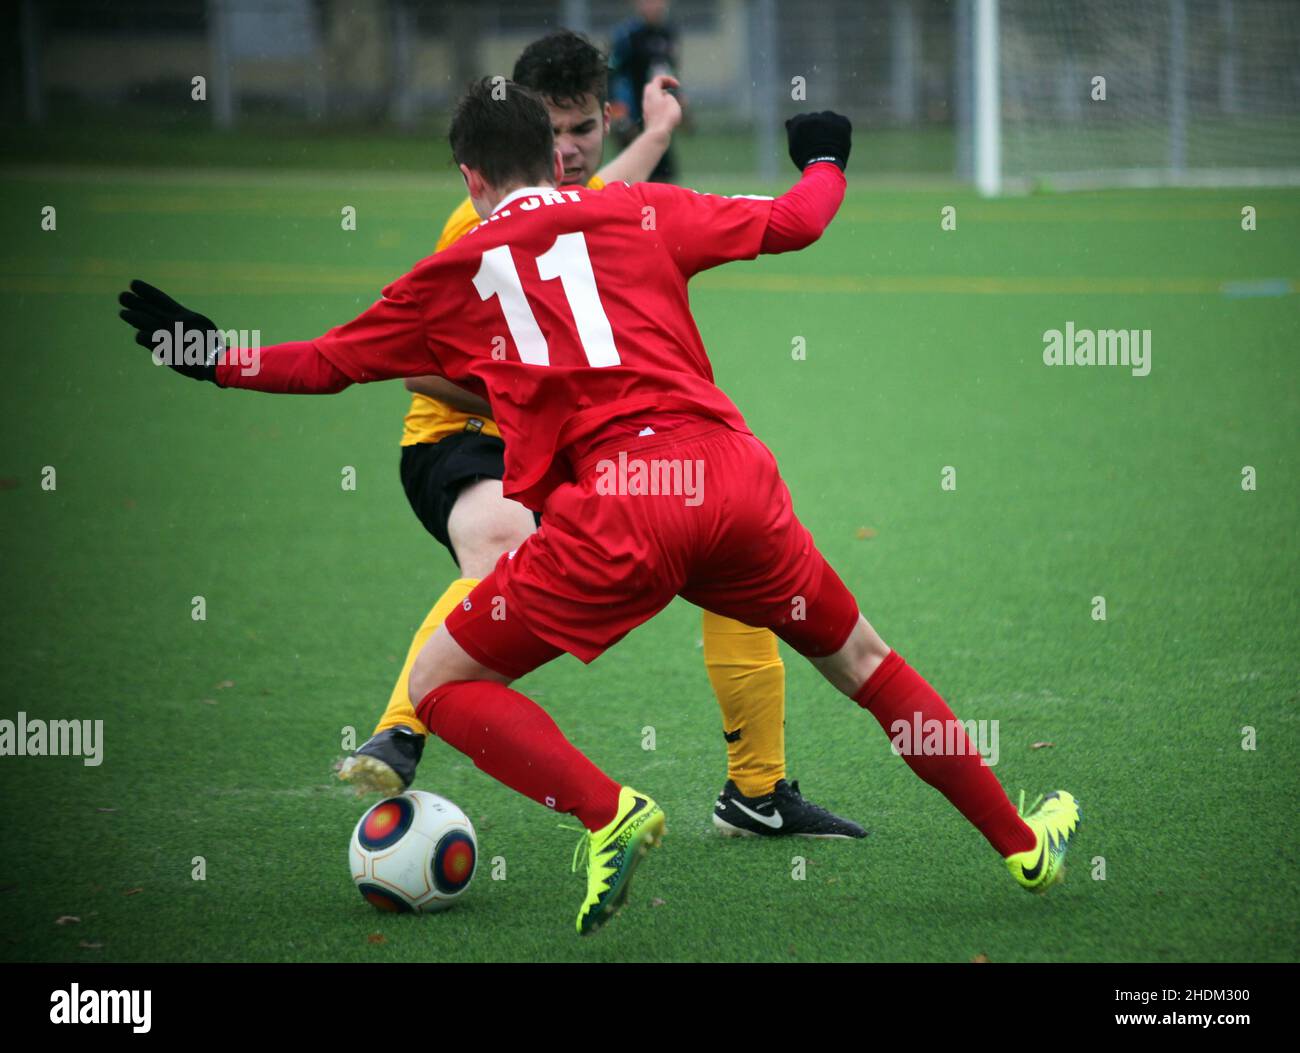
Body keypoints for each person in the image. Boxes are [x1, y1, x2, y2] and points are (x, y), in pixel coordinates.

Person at [117, 81, 1081, 937]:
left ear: (470, 178)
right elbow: (797, 221)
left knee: (443, 683)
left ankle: (607, 811)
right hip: (736, 480)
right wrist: (826, 153)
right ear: (554, 155)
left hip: (621, 509)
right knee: (865, 660)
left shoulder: (454, 272)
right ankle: (1019, 843)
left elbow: (323, 364)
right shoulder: (639, 211)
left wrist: (209, 357)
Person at [342, 29, 865, 841]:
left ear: (602, 121)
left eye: (583, 129)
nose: (569, 149)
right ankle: (404, 724)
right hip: (467, 434)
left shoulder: (591, 202)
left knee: (742, 559)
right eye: (549, 132)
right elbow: (417, 370)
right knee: (502, 542)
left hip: (592, 447)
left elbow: (602, 203)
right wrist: (537, 387)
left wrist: (657, 134)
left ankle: (756, 791)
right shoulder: (473, 224)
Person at [609, 0, 681, 182]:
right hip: (634, 117)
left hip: (658, 116)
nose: (652, 5)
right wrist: (619, 114)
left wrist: (678, 98)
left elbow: (667, 70)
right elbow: (613, 75)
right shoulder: (627, 36)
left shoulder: (668, 33)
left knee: (665, 175)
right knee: (636, 175)